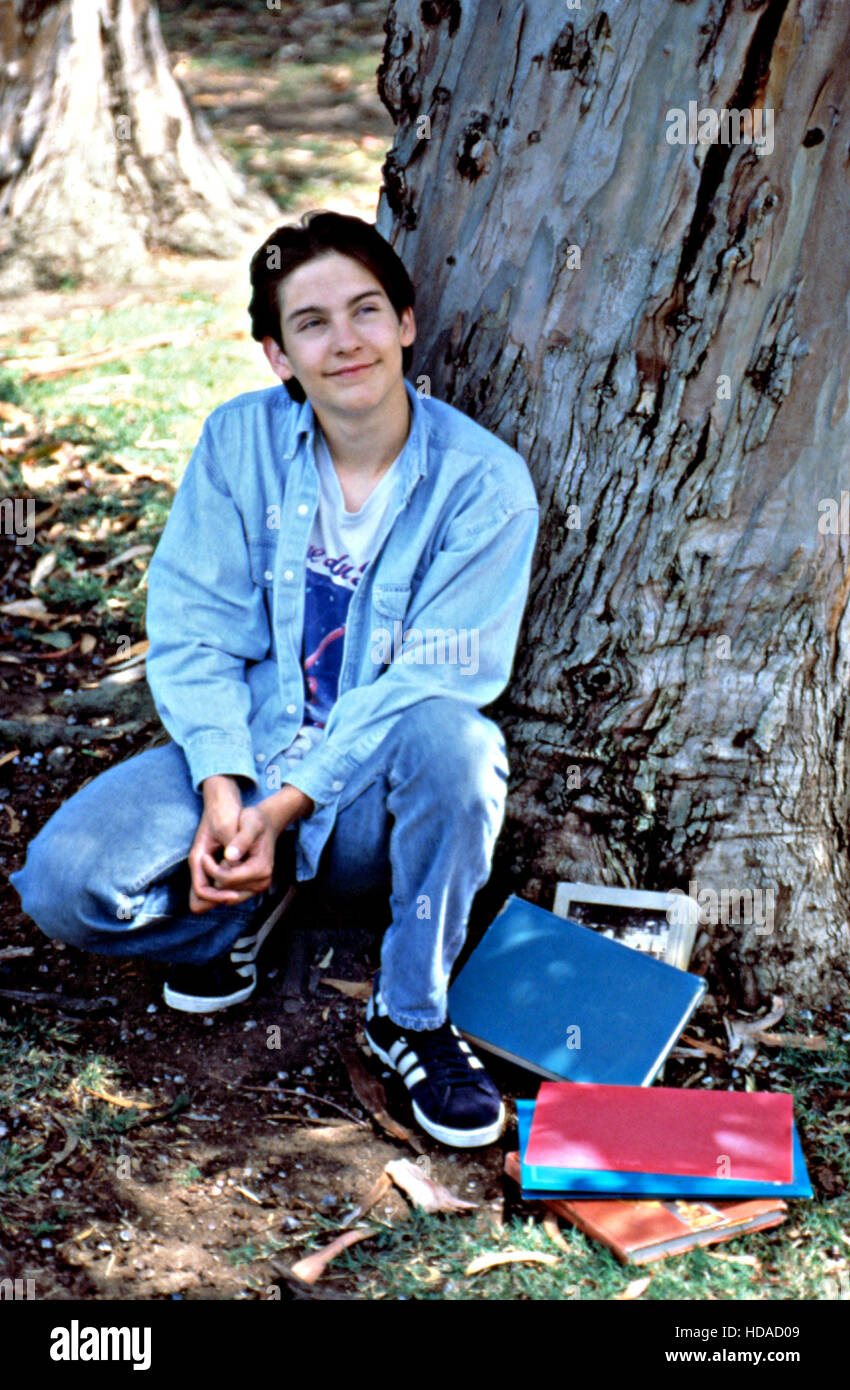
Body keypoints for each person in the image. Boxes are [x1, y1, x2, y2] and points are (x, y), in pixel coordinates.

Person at [10, 211, 539, 1148]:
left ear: (407, 323)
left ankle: (411, 1013)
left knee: (462, 744)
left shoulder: (483, 484)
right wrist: (224, 791)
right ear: (276, 354)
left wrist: (282, 811)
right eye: (312, 323)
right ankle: (240, 909)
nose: (347, 342)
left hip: (373, 794)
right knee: (64, 885)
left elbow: (432, 681)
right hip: (249, 750)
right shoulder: (237, 444)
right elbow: (194, 631)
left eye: (366, 311)